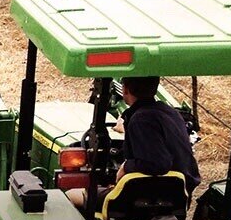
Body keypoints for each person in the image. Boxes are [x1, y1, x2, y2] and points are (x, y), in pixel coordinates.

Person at [68, 76, 201, 209]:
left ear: (125, 89)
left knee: (70, 195)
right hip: (178, 197)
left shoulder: (140, 120)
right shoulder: (172, 113)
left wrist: (126, 167)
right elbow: (155, 143)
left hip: (143, 199)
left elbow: (159, 164)